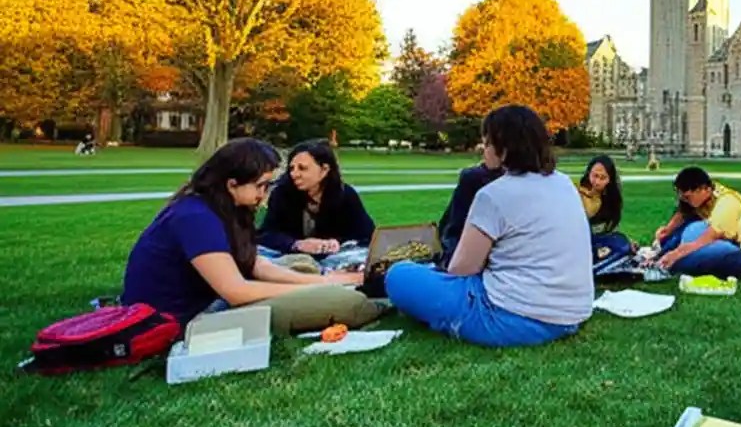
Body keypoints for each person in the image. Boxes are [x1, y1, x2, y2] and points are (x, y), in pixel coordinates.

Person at [121, 138, 379, 334]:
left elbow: (256, 265)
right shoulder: (196, 216)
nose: (264, 194)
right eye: (260, 185)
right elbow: (236, 291)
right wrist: (325, 285)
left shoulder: (223, 210)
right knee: (345, 302)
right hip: (189, 318)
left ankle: (344, 283)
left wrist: (327, 278)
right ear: (231, 184)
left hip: (212, 300)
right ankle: (383, 298)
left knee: (304, 270)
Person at [386, 105, 593, 348]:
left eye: (487, 143)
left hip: (513, 316)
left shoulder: (494, 195)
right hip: (573, 312)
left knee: (399, 275)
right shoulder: (564, 184)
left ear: (503, 149)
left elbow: (461, 269)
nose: (483, 150)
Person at [652, 166, 741, 279]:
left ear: (703, 189)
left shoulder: (727, 203)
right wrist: (667, 231)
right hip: (725, 242)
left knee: (689, 261)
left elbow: (708, 237)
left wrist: (676, 254)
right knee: (682, 232)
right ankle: (658, 256)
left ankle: (666, 264)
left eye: (687, 197)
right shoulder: (707, 193)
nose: (685, 201)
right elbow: (684, 212)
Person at [256, 139, 375, 256]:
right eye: (292, 168)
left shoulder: (345, 195)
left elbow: (367, 234)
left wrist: (336, 243)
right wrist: (297, 244)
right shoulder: (282, 193)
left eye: (302, 168)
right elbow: (266, 234)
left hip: (334, 259)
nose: (294, 174)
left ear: (324, 170)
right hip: (292, 259)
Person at [437, 145, 505, 266]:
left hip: (490, 273)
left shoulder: (477, 180)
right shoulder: (545, 182)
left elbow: (453, 232)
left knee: (400, 272)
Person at [578, 155, 634, 272]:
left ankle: (598, 266)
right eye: (594, 176)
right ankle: (596, 269)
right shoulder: (578, 194)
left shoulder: (611, 199)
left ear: (609, 179)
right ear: (588, 173)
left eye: (602, 178)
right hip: (581, 241)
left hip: (601, 241)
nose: (597, 182)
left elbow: (611, 230)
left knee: (622, 242)